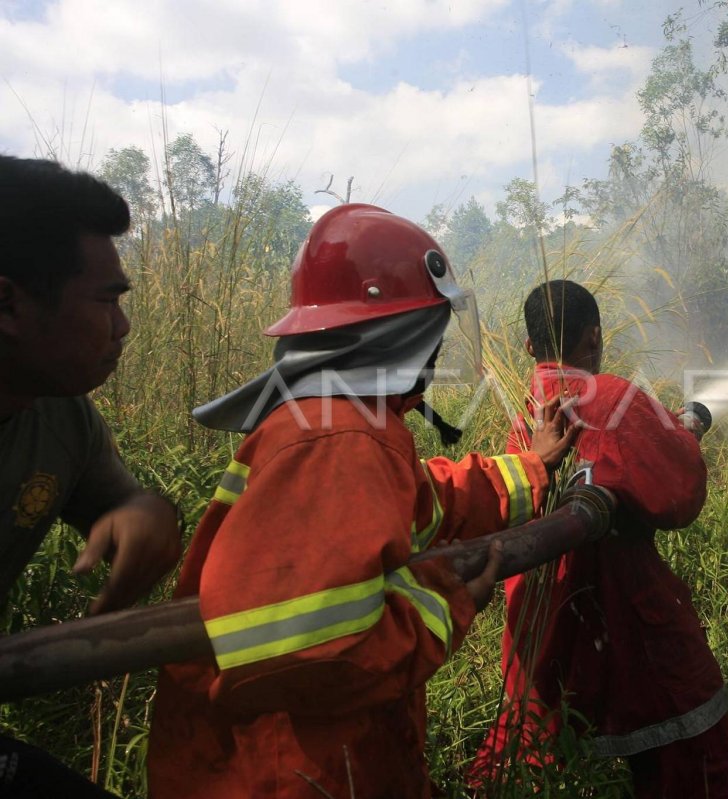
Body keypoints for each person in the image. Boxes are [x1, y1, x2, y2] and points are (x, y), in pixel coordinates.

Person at [147, 204, 579, 799]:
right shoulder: (337, 441)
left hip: (324, 754)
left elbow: (429, 504)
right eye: (432, 331)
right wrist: (449, 602)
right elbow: (319, 652)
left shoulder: (340, 425)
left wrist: (534, 466)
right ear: (399, 333)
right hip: (298, 773)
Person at [471, 279, 728, 798]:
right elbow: (678, 492)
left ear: (530, 347)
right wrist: (685, 433)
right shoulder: (615, 397)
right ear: (594, 337)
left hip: (538, 603)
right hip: (617, 598)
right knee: (690, 737)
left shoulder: (528, 403)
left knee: (535, 735)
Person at [0, 155, 182, 797]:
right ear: (7, 304)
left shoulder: (61, 419)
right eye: (107, 301)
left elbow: (127, 502)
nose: (123, 327)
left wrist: (148, 517)